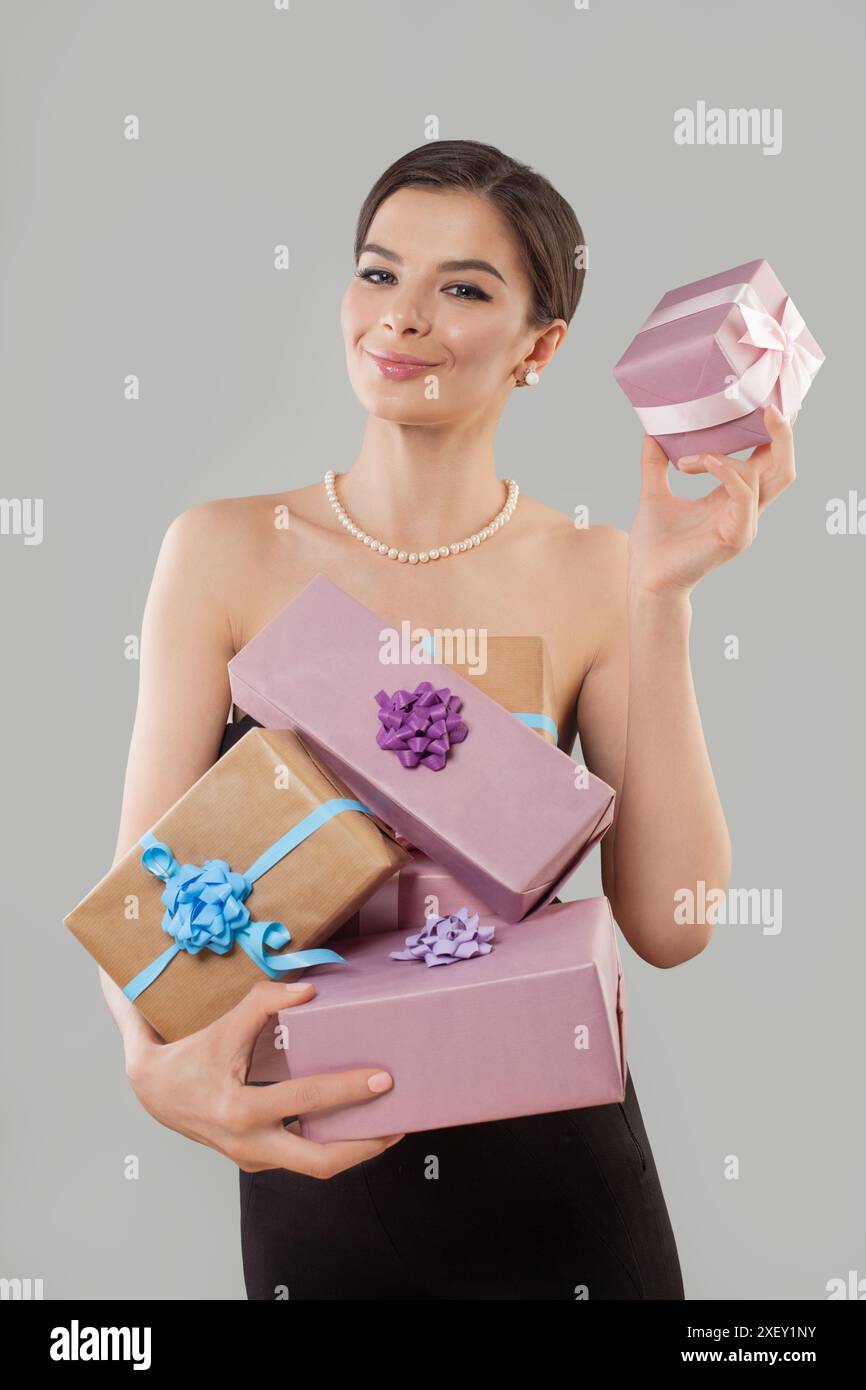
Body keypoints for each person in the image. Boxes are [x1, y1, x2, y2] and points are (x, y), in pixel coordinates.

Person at [98, 140, 796, 1299]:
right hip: (313, 1157)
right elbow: (142, 897)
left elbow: (671, 924)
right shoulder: (220, 552)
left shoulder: (591, 570)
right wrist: (145, 1069)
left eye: (462, 288)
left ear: (540, 347)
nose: (402, 316)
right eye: (377, 273)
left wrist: (658, 600)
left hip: (557, 1179)